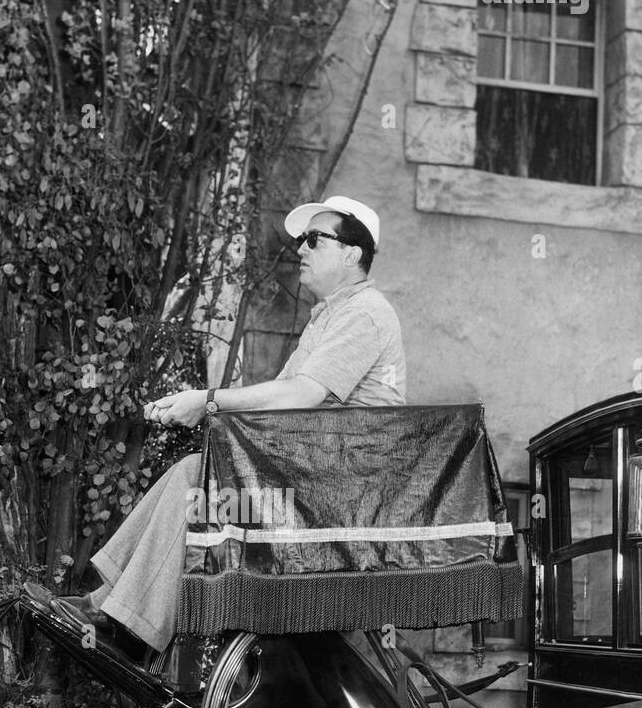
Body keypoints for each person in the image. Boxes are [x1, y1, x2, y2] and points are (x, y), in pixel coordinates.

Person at [47, 195, 406, 655]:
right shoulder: (333, 316)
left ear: (352, 254)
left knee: (196, 482)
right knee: (190, 473)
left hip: (339, 497)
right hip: (317, 481)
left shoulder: (364, 312)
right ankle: (109, 604)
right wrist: (201, 407)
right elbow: (278, 408)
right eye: (302, 240)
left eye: (314, 240)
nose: (300, 249)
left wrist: (209, 402)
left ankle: (131, 627)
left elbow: (300, 396)